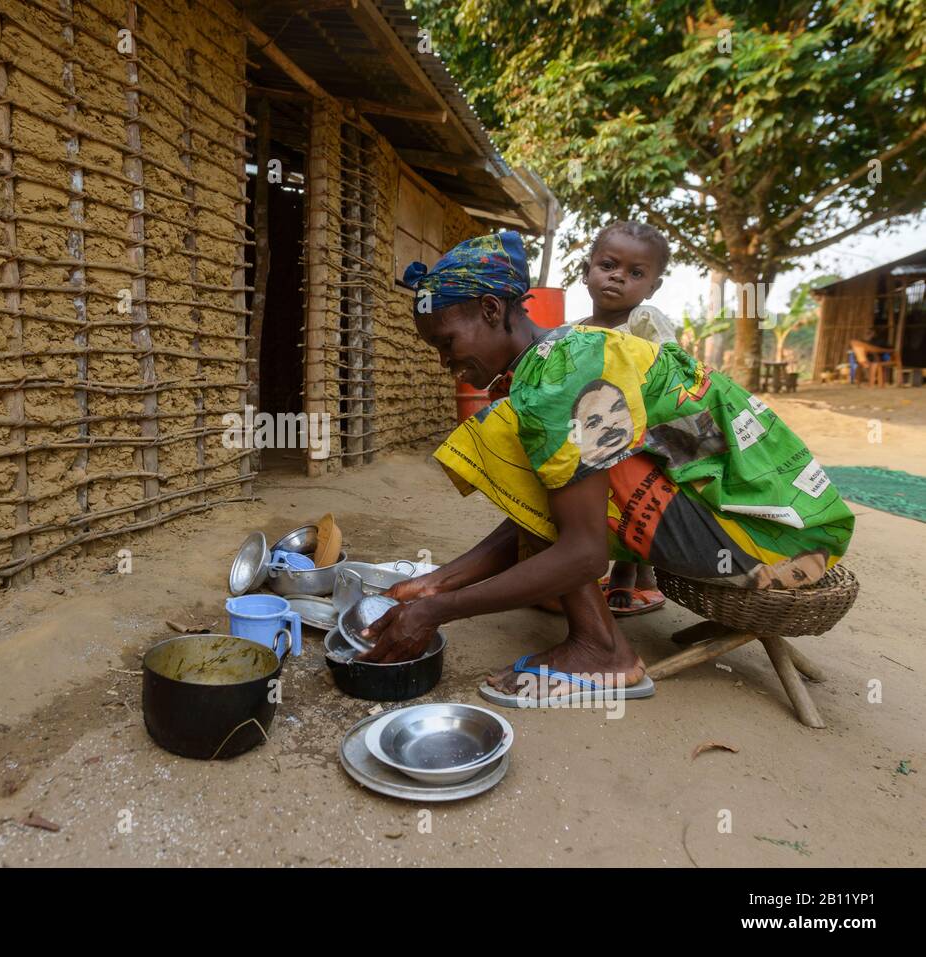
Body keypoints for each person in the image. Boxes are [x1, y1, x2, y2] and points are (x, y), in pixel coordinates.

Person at [358, 231, 855, 708]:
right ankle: (596, 640)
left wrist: (433, 612)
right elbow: (556, 506)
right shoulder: (557, 359)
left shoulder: (563, 378)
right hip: (781, 530)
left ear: (491, 310)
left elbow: (584, 552)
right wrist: (437, 583)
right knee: (543, 454)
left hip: (775, 544)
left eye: (447, 342)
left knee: (514, 437)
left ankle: (602, 651)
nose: (447, 362)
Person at [577, 221, 678, 616]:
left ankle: (627, 570)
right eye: (608, 264)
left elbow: (670, 368)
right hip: (598, 433)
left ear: (652, 287)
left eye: (636, 273)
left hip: (647, 430)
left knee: (636, 499)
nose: (618, 276)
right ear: (588, 269)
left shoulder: (643, 321)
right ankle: (634, 571)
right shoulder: (574, 331)